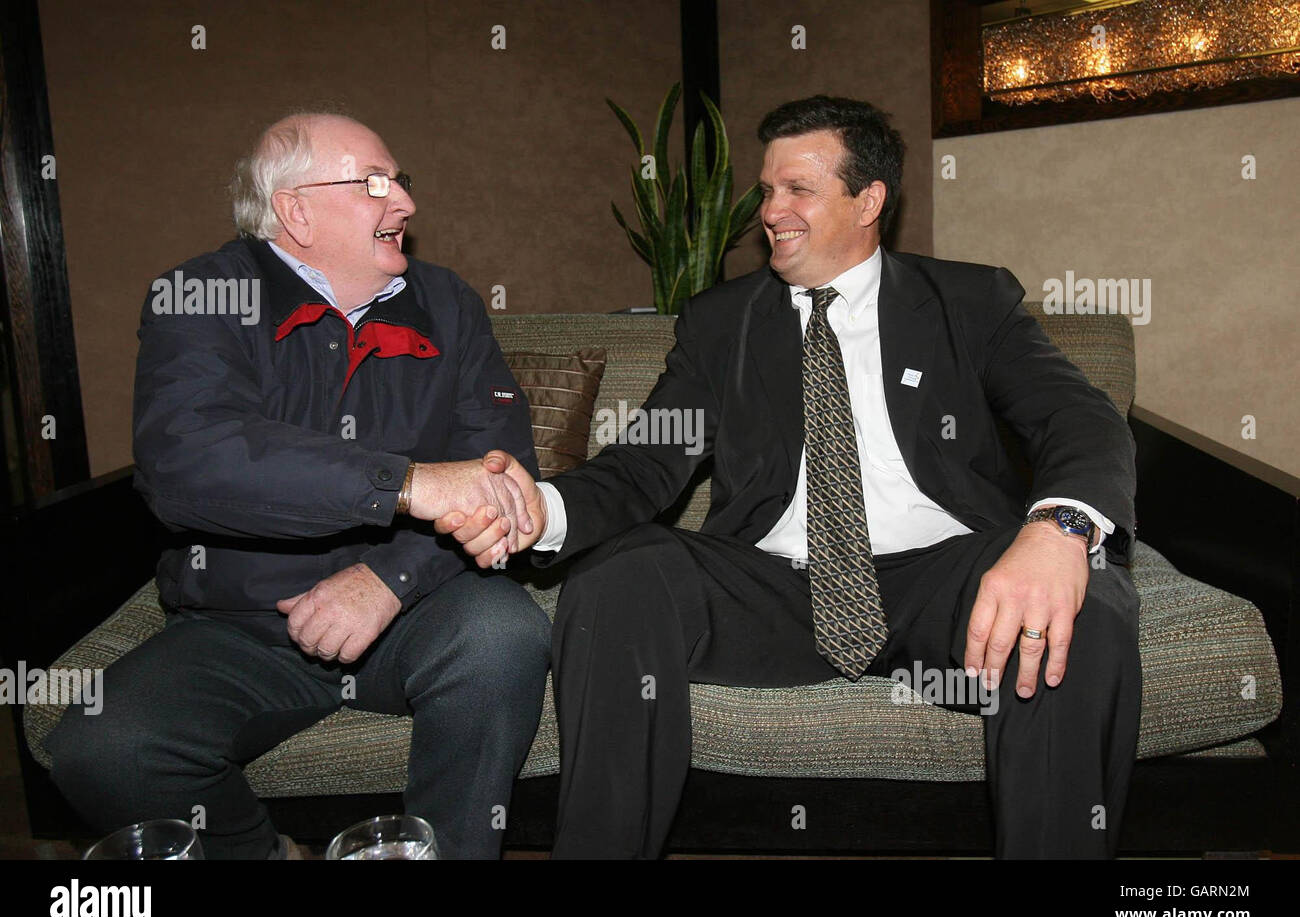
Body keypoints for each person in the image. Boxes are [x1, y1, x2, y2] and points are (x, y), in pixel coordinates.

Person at [440, 96, 1141, 859]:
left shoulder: (971, 302)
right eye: (767, 190)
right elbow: (644, 463)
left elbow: (1082, 418)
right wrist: (540, 508)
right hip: (774, 589)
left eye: (797, 189)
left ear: (869, 199)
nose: (771, 210)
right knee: (620, 577)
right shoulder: (720, 324)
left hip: (948, 586)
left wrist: (1061, 529)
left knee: (1085, 595)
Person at [46, 113, 549, 859]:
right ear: (294, 209)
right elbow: (187, 463)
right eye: (375, 183)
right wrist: (405, 484)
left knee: (504, 629)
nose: (405, 203)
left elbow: (502, 474)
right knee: (100, 746)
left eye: (401, 182)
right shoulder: (200, 295)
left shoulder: (448, 303)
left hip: (416, 605)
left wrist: (387, 577)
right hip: (243, 622)